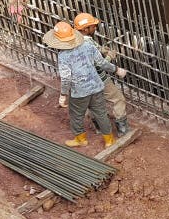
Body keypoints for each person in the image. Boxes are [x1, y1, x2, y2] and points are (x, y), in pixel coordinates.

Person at [42, 21, 127, 149]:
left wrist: (63, 95)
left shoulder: (63, 56)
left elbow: (66, 79)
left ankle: (81, 140)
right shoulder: (88, 46)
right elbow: (102, 64)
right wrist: (116, 70)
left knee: (76, 115)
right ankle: (109, 140)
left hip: (79, 92)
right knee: (101, 113)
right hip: (96, 86)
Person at [73, 12, 130, 136]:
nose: (95, 28)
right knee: (118, 99)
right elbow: (100, 65)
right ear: (85, 29)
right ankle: (123, 129)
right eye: (93, 26)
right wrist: (111, 60)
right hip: (98, 79)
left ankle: (98, 127)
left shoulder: (73, 40)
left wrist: (102, 50)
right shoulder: (88, 43)